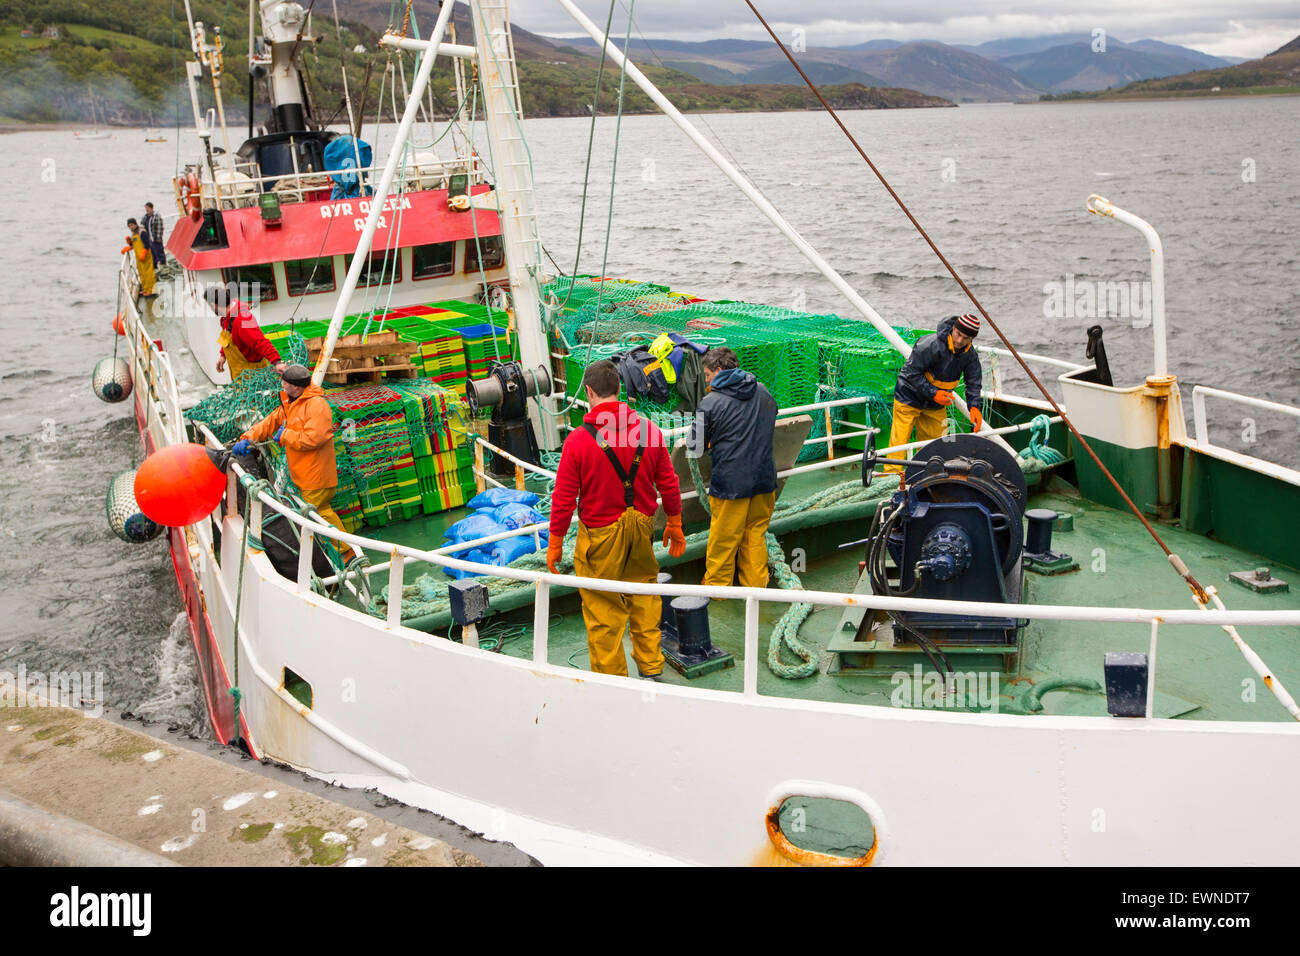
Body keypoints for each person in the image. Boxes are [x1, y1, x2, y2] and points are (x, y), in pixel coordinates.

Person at [547, 360, 686, 679]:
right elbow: (669, 483)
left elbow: (565, 499)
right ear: (620, 390)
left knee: (602, 611)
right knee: (644, 599)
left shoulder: (578, 441)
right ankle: (651, 669)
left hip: (600, 537)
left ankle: (612, 682)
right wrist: (675, 524)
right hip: (641, 530)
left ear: (590, 392)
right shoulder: (649, 431)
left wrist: (555, 544)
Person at [231, 364, 355, 562]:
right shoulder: (291, 403)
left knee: (320, 512)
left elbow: (315, 438)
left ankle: (348, 551)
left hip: (317, 474)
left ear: (296, 387)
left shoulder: (316, 405)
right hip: (303, 475)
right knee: (314, 512)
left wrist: (286, 435)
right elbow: (269, 423)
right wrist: (247, 437)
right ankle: (337, 549)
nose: (282, 384)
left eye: (285, 382)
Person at [689, 347, 778, 590]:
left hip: (731, 487)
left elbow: (695, 446)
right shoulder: (763, 391)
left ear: (718, 371)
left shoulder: (710, 403)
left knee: (723, 543)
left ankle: (717, 593)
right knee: (754, 536)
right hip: (764, 481)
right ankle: (756, 591)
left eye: (707, 375)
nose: (706, 380)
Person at [884, 313, 984, 473]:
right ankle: (889, 477)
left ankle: (925, 474)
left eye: (966, 338)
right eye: (958, 334)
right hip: (908, 397)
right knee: (899, 443)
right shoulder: (929, 345)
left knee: (934, 446)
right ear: (953, 329)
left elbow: (973, 381)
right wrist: (934, 393)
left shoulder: (970, 356)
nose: (960, 341)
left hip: (935, 405)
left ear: (971, 339)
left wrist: (974, 407)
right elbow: (911, 373)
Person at [205, 285, 286, 380]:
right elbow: (227, 339)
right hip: (240, 376)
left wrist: (277, 362)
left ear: (214, 304)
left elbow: (260, 342)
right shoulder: (225, 318)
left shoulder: (242, 319)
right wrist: (223, 356)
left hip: (253, 377)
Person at [121, 219, 155, 297]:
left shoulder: (142, 232)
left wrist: (144, 253)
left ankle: (151, 290)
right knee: (141, 273)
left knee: (148, 273)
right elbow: (134, 245)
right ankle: (145, 289)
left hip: (145, 257)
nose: (131, 227)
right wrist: (129, 244)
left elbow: (147, 244)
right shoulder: (133, 234)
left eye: (132, 225)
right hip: (139, 258)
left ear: (136, 224)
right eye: (129, 226)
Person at [141, 202, 167, 269]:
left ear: (151, 208)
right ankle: (154, 266)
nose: (147, 211)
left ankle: (163, 264)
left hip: (155, 237)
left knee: (159, 250)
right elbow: (142, 224)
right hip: (149, 238)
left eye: (147, 209)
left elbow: (160, 227)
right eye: (146, 209)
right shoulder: (146, 216)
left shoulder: (157, 216)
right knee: (153, 253)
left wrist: (158, 237)